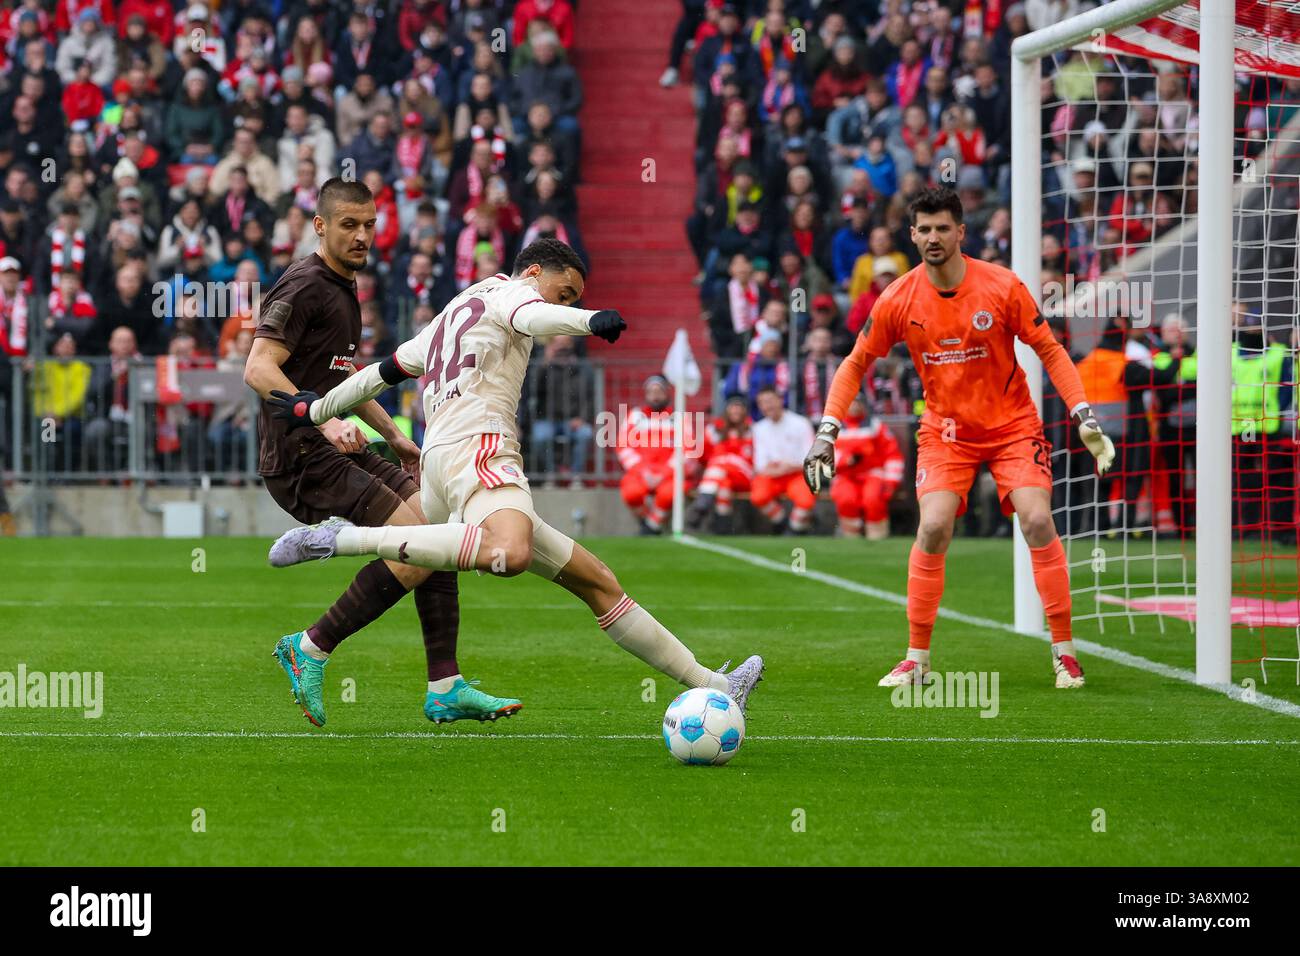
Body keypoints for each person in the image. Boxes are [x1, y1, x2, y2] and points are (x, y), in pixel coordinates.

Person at [265, 238, 765, 712]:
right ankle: (345, 539)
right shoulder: (513, 295)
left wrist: (316, 409)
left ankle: (715, 685)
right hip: (480, 448)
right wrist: (590, 320)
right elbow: (533, 312)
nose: (563, 301)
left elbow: (385, 370)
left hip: (440, 461)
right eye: (563, 291)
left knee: (597, 582)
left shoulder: (457, 308)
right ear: (531, 272)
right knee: (512, 553)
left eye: (573, 299)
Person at [803, 186, 1117, 689]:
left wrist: (1083, 415)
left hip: (1012, 425)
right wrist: (826, 432)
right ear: (912, 235)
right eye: (924, 229)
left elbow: (1052, 350)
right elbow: (855, 362)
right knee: (932, 528)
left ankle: (1065, 651)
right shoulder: (899, 297)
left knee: (1037, 519)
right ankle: (917, 659)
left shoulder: (1002, 286)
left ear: (961, 233)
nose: (933, 237)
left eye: (942, 228)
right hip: (946, 432)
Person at [242, 177, 497, 728]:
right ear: (320, 225)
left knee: (435, 533)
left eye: (369, 225)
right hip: (300, 453)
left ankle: (445, 685)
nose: (361, 236)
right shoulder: (304, 285)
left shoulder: (343, 285)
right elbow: (258, 368)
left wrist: (394, 433)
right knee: (416, 543)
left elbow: (343, 374)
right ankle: (309, 647)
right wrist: (323, 419)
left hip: (335, 442)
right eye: (349, 225)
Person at [830, 395, 903, 539]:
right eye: (851, 403)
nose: (855, 407)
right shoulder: (833, 427)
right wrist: (846, 459)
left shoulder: (875, 426)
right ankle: (851, 536)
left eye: (858, 403)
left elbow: (893, 455)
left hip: (872, 473)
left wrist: (891, 482)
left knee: (873, 498)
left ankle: (877, 537)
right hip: (845, 475)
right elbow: (823, 455)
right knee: (846, 498)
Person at [751, 385, 816, 533]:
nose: (768, 406)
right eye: (763, 403)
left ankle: (795, 529)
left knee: (806, 500)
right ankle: (781, 522)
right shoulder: (759, 428)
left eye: (770, 401)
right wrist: (773, 469)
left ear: (780, 400)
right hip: (772, 474)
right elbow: (759, 462)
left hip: (797, 473)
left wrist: (791, 466)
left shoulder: (800, 423)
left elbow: (810, 456)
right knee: (758, 496)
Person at [687, 394, 754, 533]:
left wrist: (725, 460)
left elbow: (754, 459)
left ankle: (702, 504)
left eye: (739, 407)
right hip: (721, 477)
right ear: (727, 410)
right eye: (733, 407)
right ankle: (722, 527)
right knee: (724, 485)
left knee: (719, 465)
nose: (735, 411)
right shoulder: (714, 430)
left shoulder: (752, 430)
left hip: (744, 476)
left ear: (744, 411)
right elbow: (702, 456)